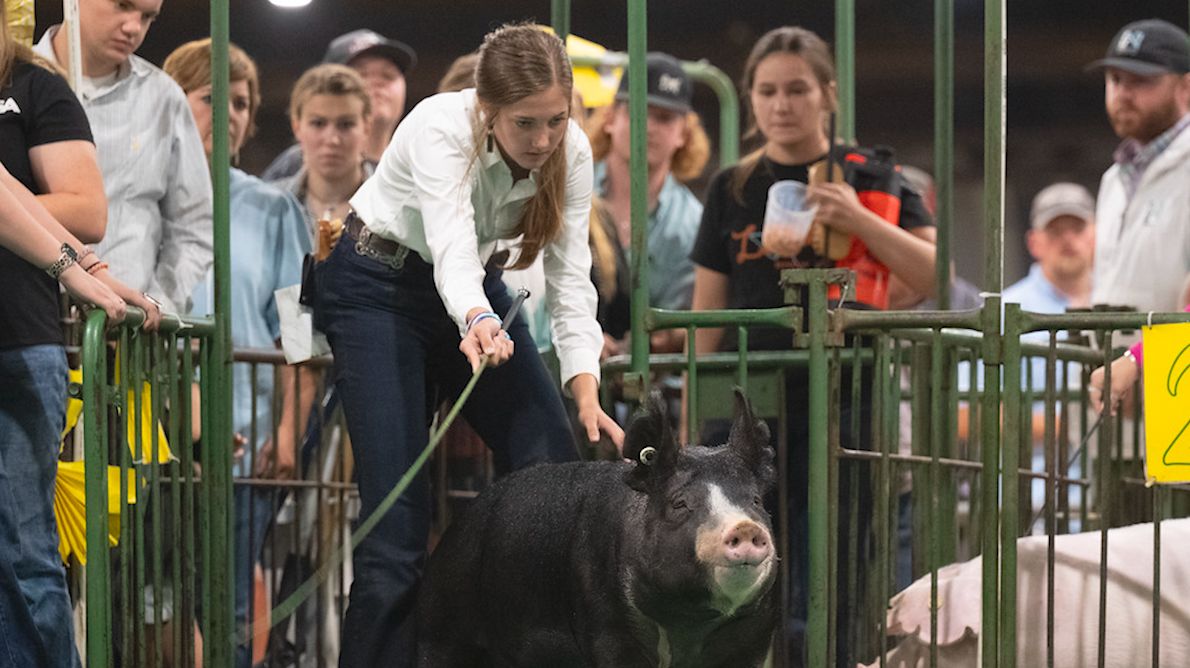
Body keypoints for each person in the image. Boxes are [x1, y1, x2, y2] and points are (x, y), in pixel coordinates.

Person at [310, 23, 623, 666]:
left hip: (467, 291)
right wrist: (477, 319)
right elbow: (452, 247)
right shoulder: (438, 125)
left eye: (555, 121)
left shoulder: (575, 151)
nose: (542, 140)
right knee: (397, 529)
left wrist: (585, 388)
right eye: (525, 124)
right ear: (488, 109)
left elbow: (571, 278)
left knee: (555, 477)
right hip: (376, 285)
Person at [688, 26, 936, 666]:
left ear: (828, 93)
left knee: (840, 556)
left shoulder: (873, 177)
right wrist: (693, 418)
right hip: (747, 398)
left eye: (797, 88)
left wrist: (857, 218)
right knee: (736, 555)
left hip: (846, 397)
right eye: (767, 91)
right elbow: (705, 313)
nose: (781, 104)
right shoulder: (731, 187)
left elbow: (934, 275)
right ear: (750, 99)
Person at [1, 9, 158, 666]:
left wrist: (83, 264)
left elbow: (12, 193)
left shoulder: (34, 84)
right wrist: (77, 264)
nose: (135, 23)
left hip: (18, 335)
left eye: (149, 13)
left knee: (24, 552)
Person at [163, 38, 313, 668]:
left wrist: (289, 430)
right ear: (172, 102)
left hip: (247, 440)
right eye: (210, 98)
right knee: (149, 595)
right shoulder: (143, 196)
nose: (228, 114)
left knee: (226, 597)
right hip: (152, 431)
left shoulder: (276, 208)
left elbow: (299, 335)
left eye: (242, 103)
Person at [587, 52, 710, 354]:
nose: (649, 127)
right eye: (638, 112)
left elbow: (685, 322)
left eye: (665, 118)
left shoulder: (694, 223)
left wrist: (657, 341)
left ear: (684, 133)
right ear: (610, 118)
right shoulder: (569, 192)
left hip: (654, 386)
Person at [1086, 18, 1190, 318]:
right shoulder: (1114, 178)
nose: (1123, 94)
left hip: (1175, 363)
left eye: (1142, 80)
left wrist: (1137, 357)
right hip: (1117, 360)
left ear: (1186, 86)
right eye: (1116, 79)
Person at [263, 29, 415, 181]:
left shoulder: (419, 167)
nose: (377, 83)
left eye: (388, 75)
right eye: (361, 74)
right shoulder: (293, 166)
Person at [1005, 182, 1096, 389]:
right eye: (1055, 231)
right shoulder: (1002, 310)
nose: (1068, 239)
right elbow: (968, 410)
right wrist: (1061, 422)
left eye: (1078, 228)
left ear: (1095, 236)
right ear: (1033, 242)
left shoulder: (1118, 299)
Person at [272, 64, 373, 242]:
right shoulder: (267, 206)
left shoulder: (394, 208)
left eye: (346, 124)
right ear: (297, 127)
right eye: (318, 123)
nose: (332, 139)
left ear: (366, 127)